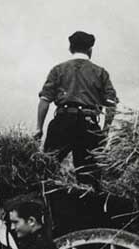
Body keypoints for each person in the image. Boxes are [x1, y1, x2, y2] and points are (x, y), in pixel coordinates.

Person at [36, 30, 118, 187]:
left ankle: (42, 199)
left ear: (70, 48)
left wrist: (39, 129)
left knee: (46, 168)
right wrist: (105, 131)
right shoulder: (100, 73)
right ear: (90, 50)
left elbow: (44, 100)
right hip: (89, 125)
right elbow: (111, 104)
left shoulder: (58, 70)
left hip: (62, 122)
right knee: (89, 178)